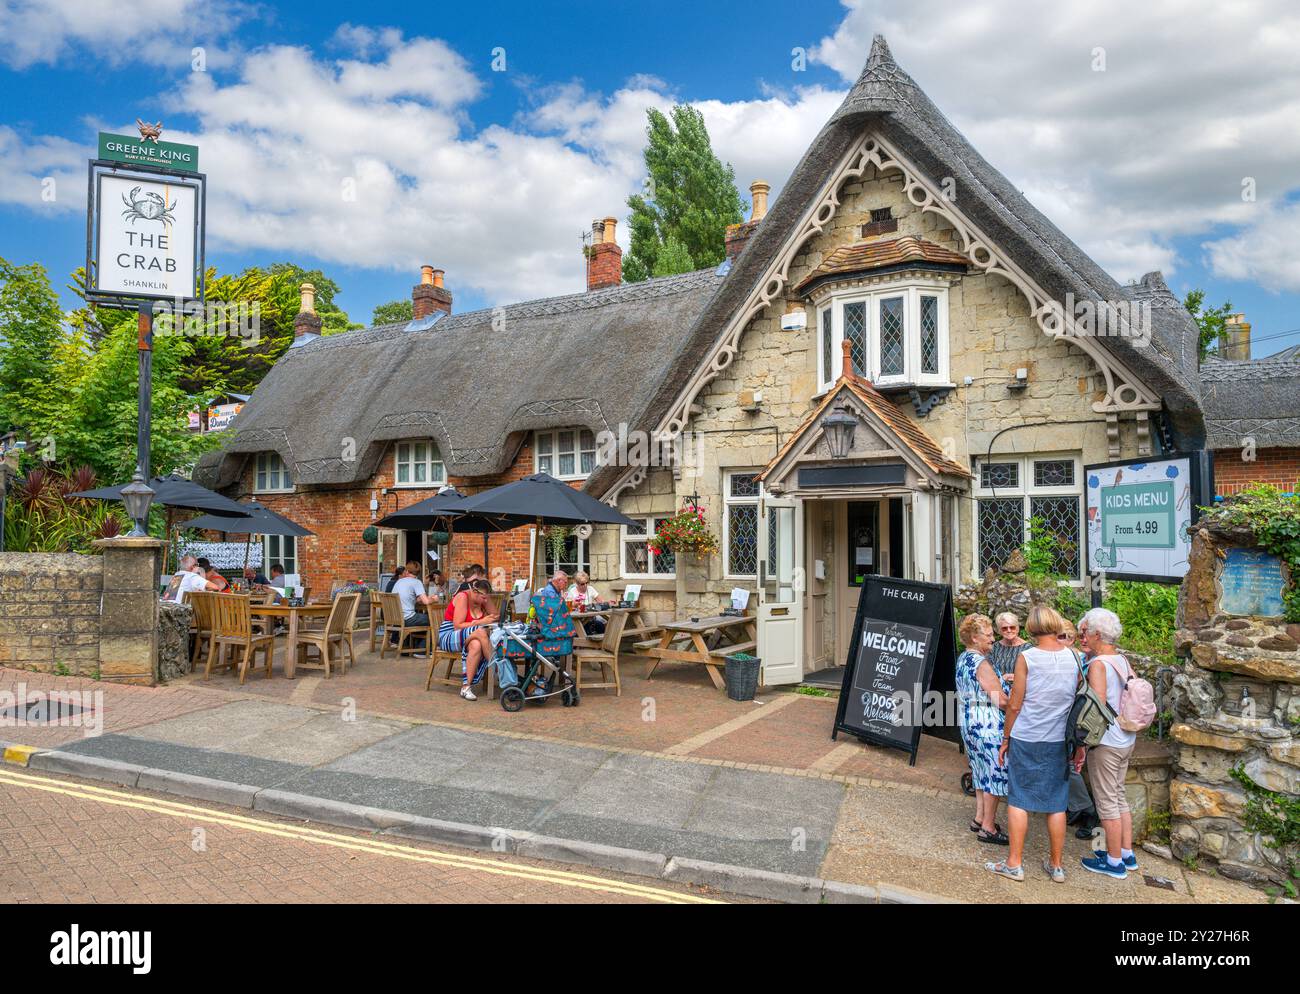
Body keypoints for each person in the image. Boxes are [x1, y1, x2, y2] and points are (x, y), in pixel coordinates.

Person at [986, 604, 1079, 884]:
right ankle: (1057, 865)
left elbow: (1014, 704)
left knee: (1019, 799)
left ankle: (1014, 863)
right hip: (1058, 737)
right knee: (1056, 803)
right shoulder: (1074, 658)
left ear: (1031, 627)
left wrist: (1005, 738)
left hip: (1027, 735)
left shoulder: (1027, 658)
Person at [1076, 607, 1140, 879]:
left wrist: (1082, 741)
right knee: (1119, 795)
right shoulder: (1122, 660)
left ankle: (1114, 862)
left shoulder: (1099, 664)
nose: (1082, 637)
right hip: (1127, 738)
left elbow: (1096, 706)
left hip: (1107, 742)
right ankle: (1126, 853)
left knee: (1107, 803)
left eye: (1084, 633)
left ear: (1097, 634)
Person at [956, 613, 1009, 845]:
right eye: (988, 635)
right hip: (987, 724)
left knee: (979, 771)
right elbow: (1002, 701)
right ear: (975, 638)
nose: (993, 638)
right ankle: (988, 827)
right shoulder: (982, 664)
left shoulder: (964, 658)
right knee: (994, 775)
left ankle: (979, 818)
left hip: (969, 720)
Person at [438, 578, 497, 701]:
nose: (485, 601)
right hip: (449, 635)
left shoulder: (481, 598)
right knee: (480, 632)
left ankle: (466, 687)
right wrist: (480, 621)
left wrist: (486, 598)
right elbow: (458, 626)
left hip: (469, 635)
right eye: (483, 598)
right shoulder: (462, 597)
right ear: (475, 592)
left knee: (476, 645)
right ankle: (497, 668)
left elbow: (496, 616)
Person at [392, 561, 433, 654]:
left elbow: (406, 598)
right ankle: (421, 651)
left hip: (396, 618)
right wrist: (434, 599)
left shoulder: (399, 581)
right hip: (408, 618)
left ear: (407, 571)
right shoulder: (416, 582)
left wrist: (417, 600)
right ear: (418, 573)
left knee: (422, 621)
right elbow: (426, 601)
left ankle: (407, 647)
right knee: (432, 619)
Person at [987, 611, 1026, 682]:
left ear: (1018, 628)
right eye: (1004, 628)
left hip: (1022, 689)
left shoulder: (1028, 648)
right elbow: (987, 672)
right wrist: (1002, 678)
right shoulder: (994, 648)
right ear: (999, 630)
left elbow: (1035, 674)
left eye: (1012, 627)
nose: (1009, 630)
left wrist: (1018, 677)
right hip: (998, 689)